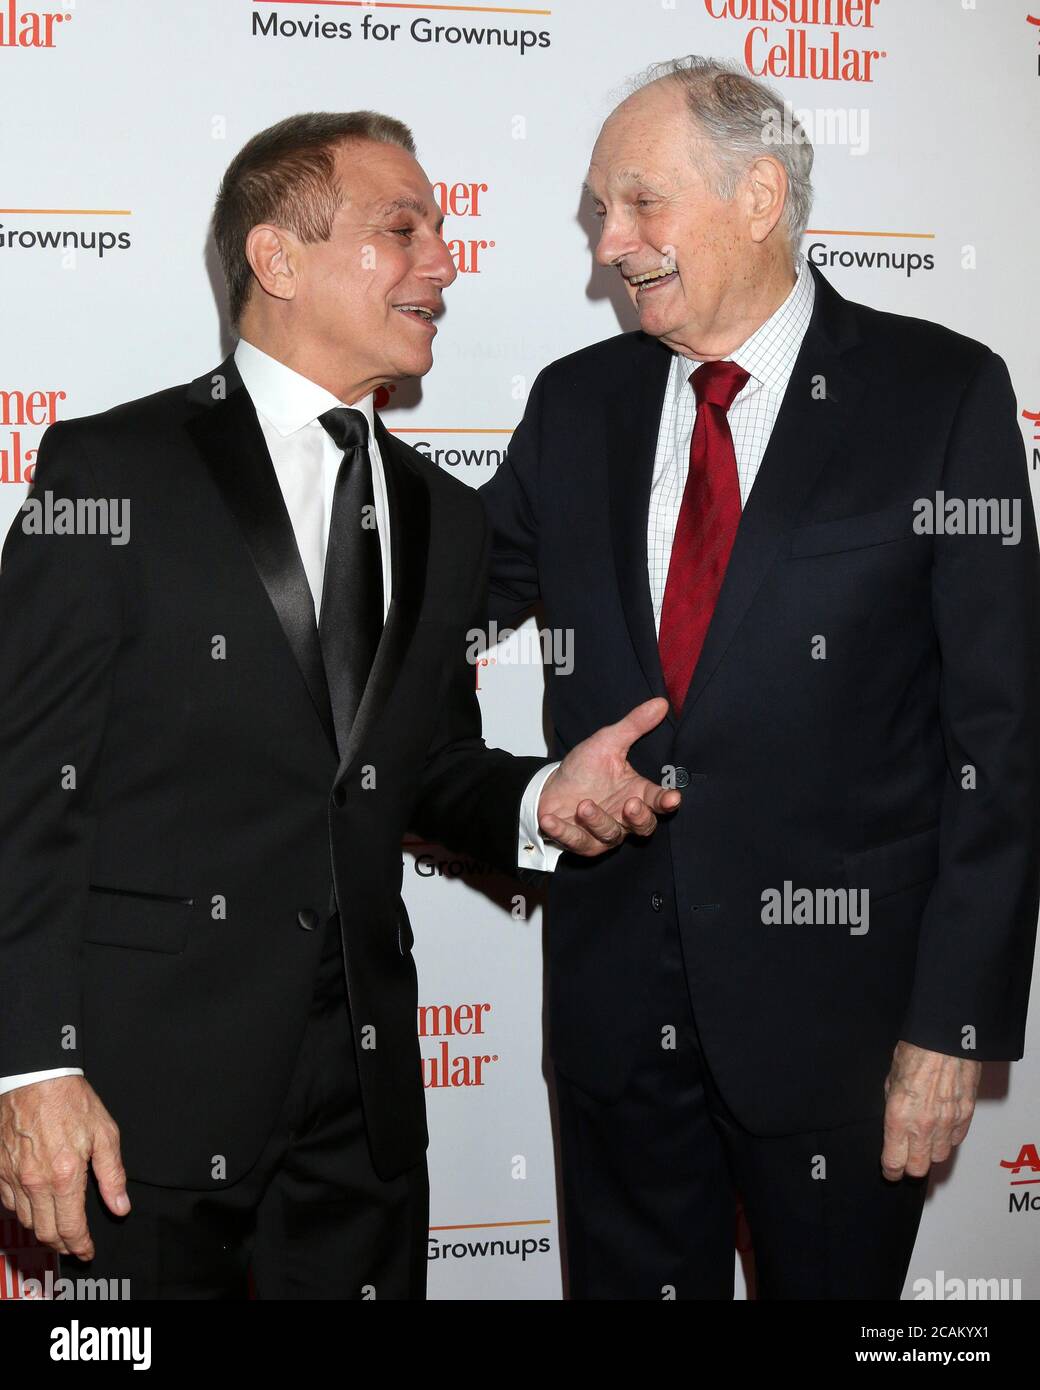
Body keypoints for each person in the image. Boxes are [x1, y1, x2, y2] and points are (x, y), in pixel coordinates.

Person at [0, 111, 678, 1300]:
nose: (443, 262)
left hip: (359, 1116)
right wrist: (29, 1070)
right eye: (401, 230)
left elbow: (425, 764)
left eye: (440, 232)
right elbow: (22, 788)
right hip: (138, 1106)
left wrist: (538, 797)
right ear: (276, 259)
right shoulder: (113, 471)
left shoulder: (442, 514)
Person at [480, 57, 1040, 1299]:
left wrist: (950, 1025)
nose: (606, 245)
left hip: (844, 1027)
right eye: (599, 211)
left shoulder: (939, 394)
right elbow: (445, 608)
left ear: (758, 196)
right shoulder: (575, 404)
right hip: (616, 1023)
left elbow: (999, 737)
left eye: (639, 203)